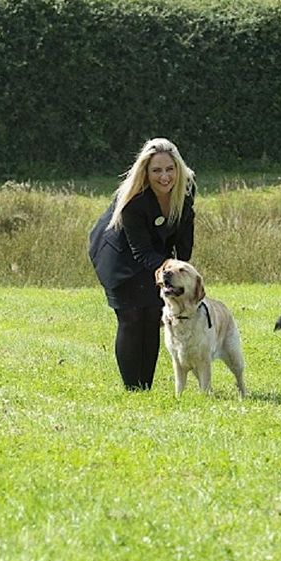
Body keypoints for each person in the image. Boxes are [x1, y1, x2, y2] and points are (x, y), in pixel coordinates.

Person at [88, 138, 196, 390]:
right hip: (117, 253)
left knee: (152, 314)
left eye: (169, 169)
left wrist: (183, 269)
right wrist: (170, 267)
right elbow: (141, 252)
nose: (164, 177)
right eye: (156, 170)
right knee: (131, 316)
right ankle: (132, 389)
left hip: (156, 252)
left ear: (178, 169)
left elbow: (184, 229)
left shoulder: (187, 187)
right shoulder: (134, 199)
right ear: (145, 173)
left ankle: (145, 387)